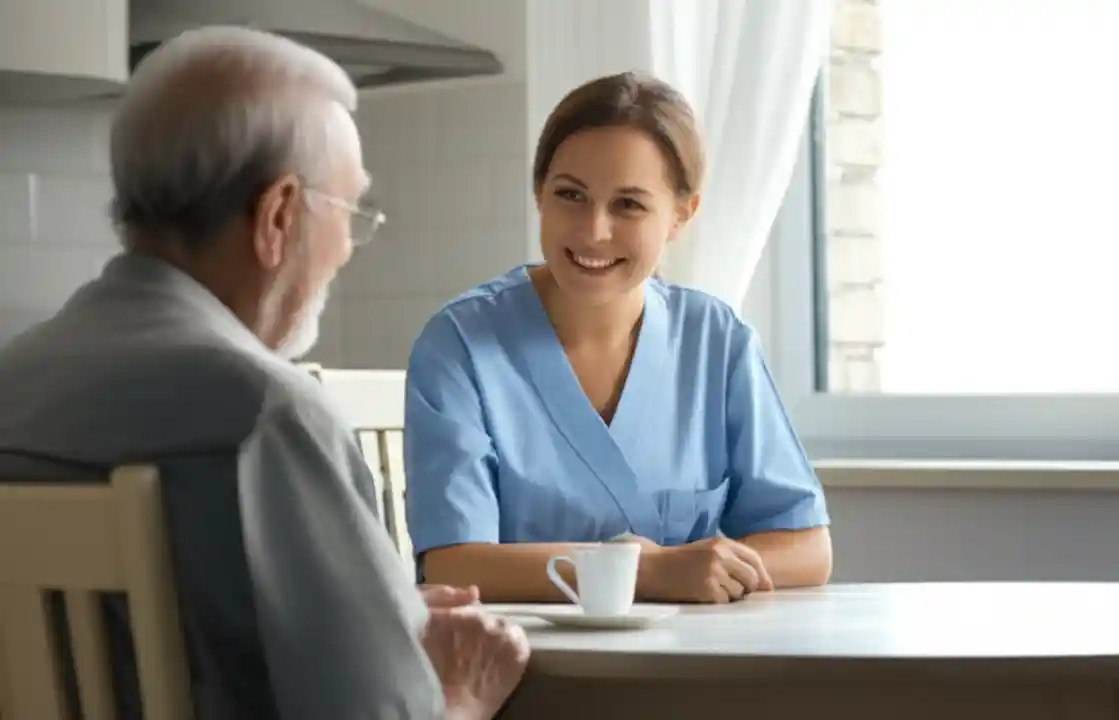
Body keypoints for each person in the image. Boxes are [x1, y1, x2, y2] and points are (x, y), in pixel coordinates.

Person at [0, 26, 527, 719]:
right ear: (278, 215)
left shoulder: (14, 378)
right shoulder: (265, 414)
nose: (348, 247)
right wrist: (462, 696)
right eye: (351, 210)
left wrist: (374, 615)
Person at [405, 72, 832, 605]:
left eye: (628, 204)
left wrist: (707, 568)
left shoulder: (717, 342)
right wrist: (647, 573)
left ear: (681, 214)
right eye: (571, 195)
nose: (594, 231)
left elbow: (807, 546)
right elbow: (453, 563)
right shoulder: (460, 346)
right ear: (539, 193)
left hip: (699, 665)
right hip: (520, 673)